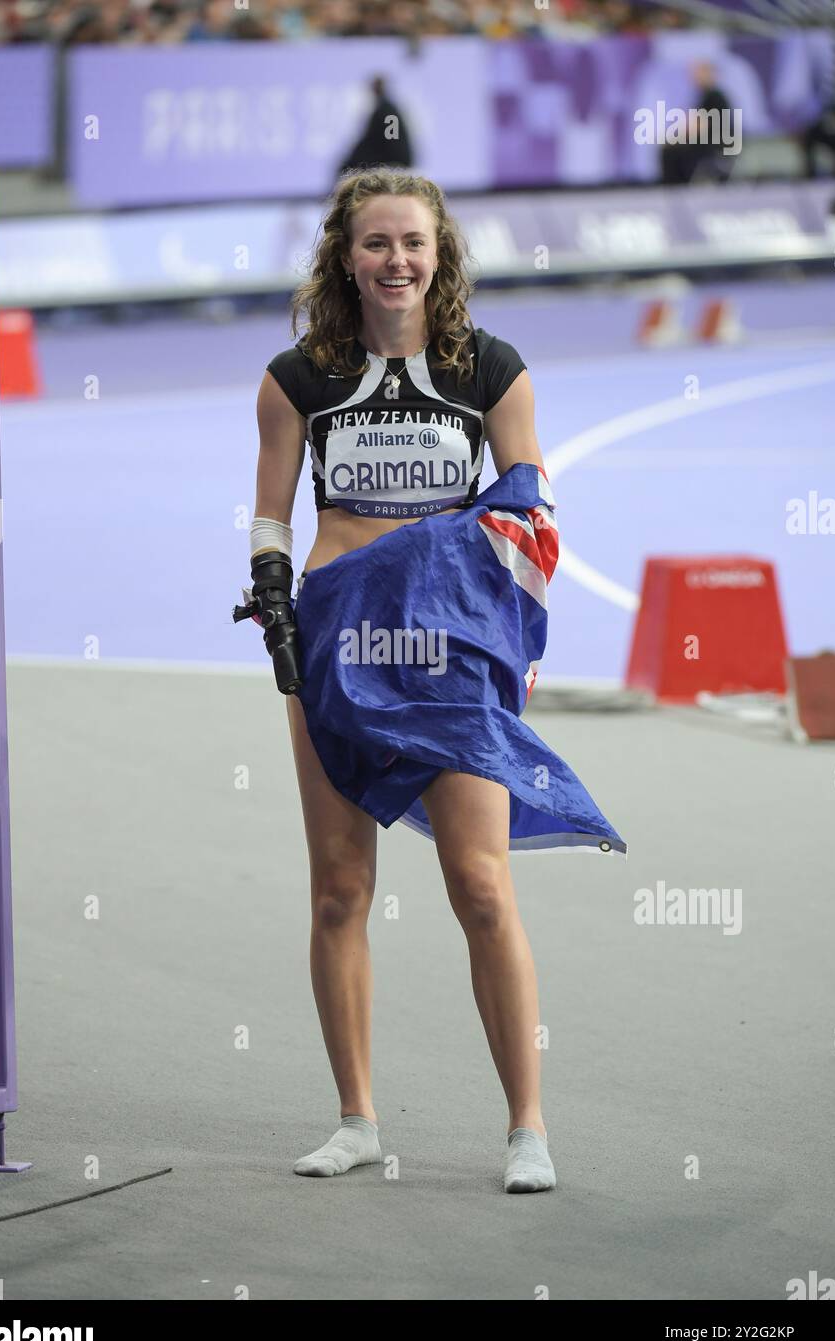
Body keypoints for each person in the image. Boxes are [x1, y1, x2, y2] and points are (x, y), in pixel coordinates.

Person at [247, 167, 626, 1194]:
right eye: (375, 243)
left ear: (439, 249)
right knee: (338, 891)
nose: (396, 261)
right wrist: (273, 592)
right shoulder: (297, 379)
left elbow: (531, 509)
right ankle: (356, 1118)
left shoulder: (489, 370)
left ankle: (525, 1128)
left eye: (411, 242)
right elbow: (274, 513)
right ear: (345, 255)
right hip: (337, 643)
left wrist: (513, 637)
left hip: (451, 648)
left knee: (480, 884)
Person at [336, 76, 413, 180]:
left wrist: (392, 164)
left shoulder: (388, 111)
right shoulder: (382, 109)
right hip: (383, 159)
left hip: (389, 161)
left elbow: (394, 141)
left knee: (346, 169)